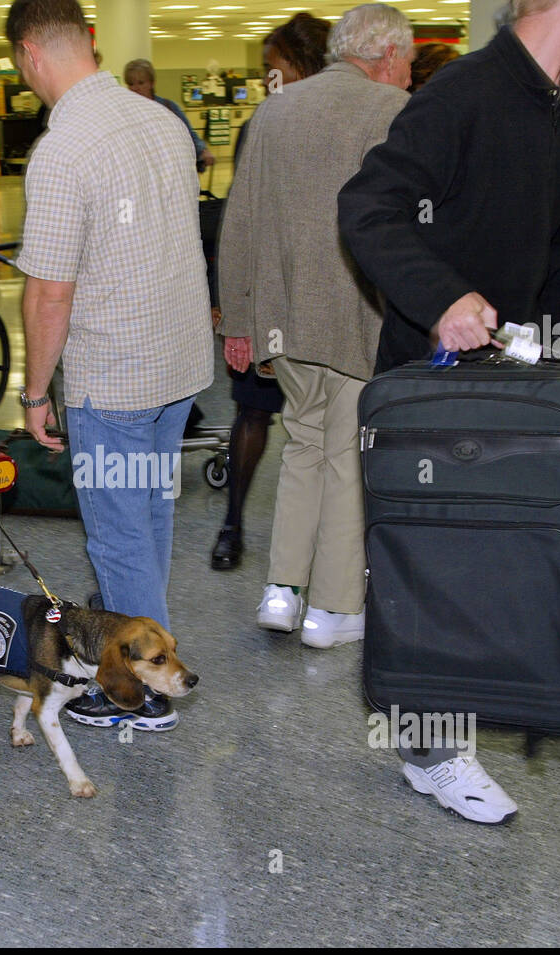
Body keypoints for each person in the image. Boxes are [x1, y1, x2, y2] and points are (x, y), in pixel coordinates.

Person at [338, 0, 560, 823]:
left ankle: (462, 719)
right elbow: (369, 208)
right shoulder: (460, 96)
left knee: (498, 564)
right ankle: (432, 751)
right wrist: (441, 298)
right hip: (433, 385)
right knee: (434, 571)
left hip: (521, 387)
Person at [7, 0, 212, 732]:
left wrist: (35, 392)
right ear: (87, 42)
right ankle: (160, 665)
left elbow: (50, 292)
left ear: (29, 54)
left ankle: (141, 694)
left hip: (116, 377)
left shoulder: (63, 149)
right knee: (151, 521)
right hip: (177, 366)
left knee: (120, 536)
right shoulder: (160, 119)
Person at [219, 4, 412, 648]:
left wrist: (239, 320)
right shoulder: (389, 112)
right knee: (346, 458)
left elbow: (239, 221)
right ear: (385, 53)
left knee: (302, 446)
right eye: (408, 61)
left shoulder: (277, 109)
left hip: (286, 317)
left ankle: (280, 591)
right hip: (360, 313)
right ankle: (333, 609)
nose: (409, 76)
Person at [210, 11, 331, 571]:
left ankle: (324, 541)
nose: (265, 78)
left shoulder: (339, 119)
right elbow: (241, 220)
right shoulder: (260, 124)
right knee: (253, 413)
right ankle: (232, 522)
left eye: (272, 67)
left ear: (300, 63)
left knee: (326, 425)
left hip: (325, 297)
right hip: (268, 302)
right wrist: (233, 304)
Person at [123, 58, 216, 170]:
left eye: (141, 83)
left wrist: (203, 151)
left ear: (152, 83)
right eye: (131, 84)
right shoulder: (124, 113)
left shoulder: (169, 107)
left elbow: (188, 134)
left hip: (168, 168)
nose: (136, 88)